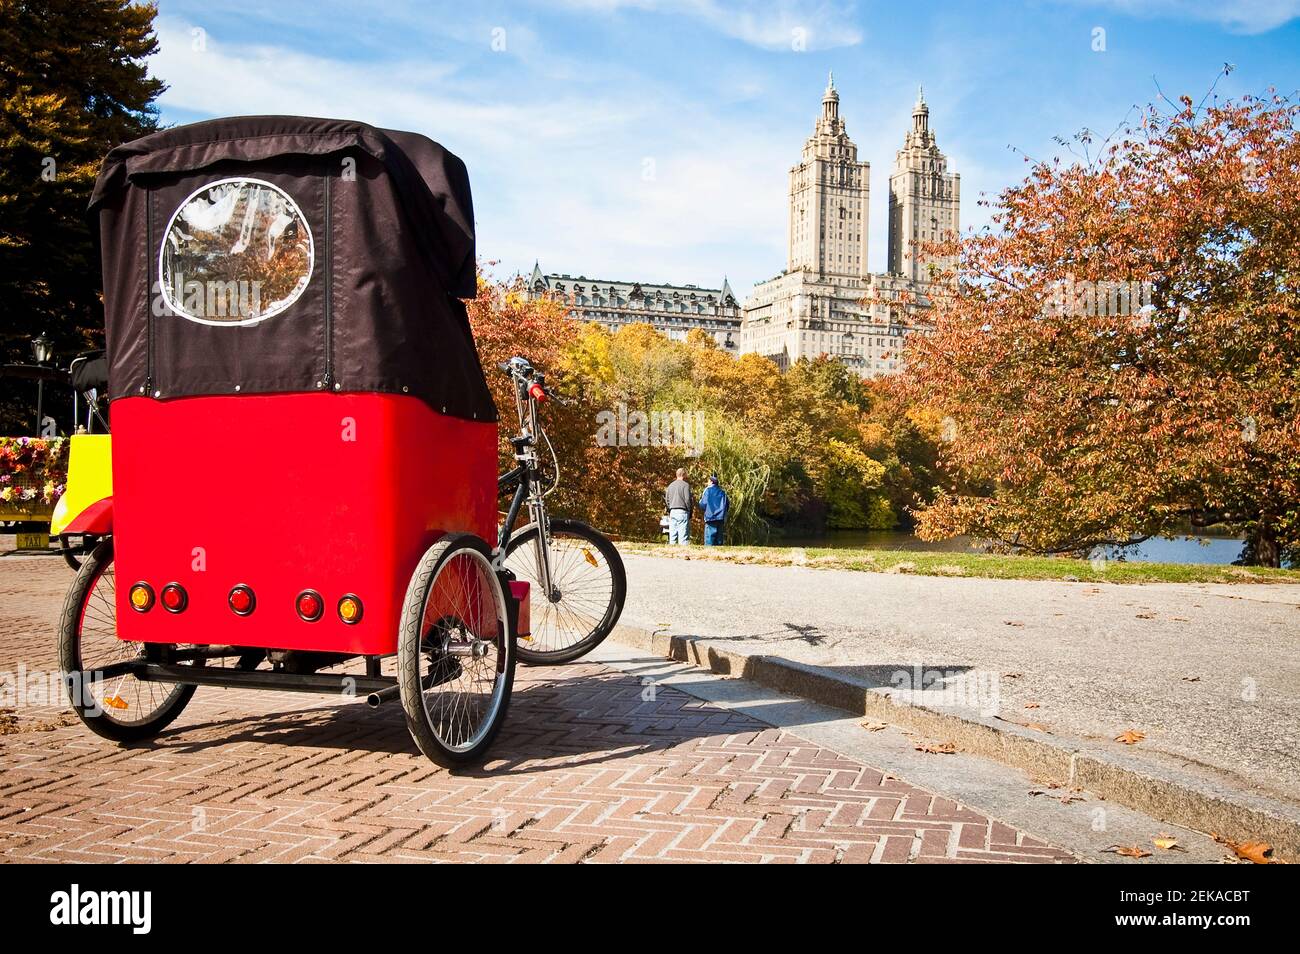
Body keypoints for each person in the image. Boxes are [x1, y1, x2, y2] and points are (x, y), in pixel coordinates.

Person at [699, 473, 730, 546]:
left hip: (710, 517)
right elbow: (727, 504)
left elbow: (703, 504)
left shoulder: (707, 491)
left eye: (708, 481)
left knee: (709, 539)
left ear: (711, 481)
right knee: (719, 539)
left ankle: (709, 554)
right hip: (720, 518)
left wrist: (704, 510)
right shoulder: (723, 492)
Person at [664, 467, 692, 545]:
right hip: (682, 511)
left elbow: (667, 500)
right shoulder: (686, 485)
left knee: (672, 535)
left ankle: (671, 552)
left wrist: (670, 508)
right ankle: (682, 553)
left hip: (672, 511)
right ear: (684, 475)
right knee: (683, 536)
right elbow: (687, 500)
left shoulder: (670, 486)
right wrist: (689, 510)